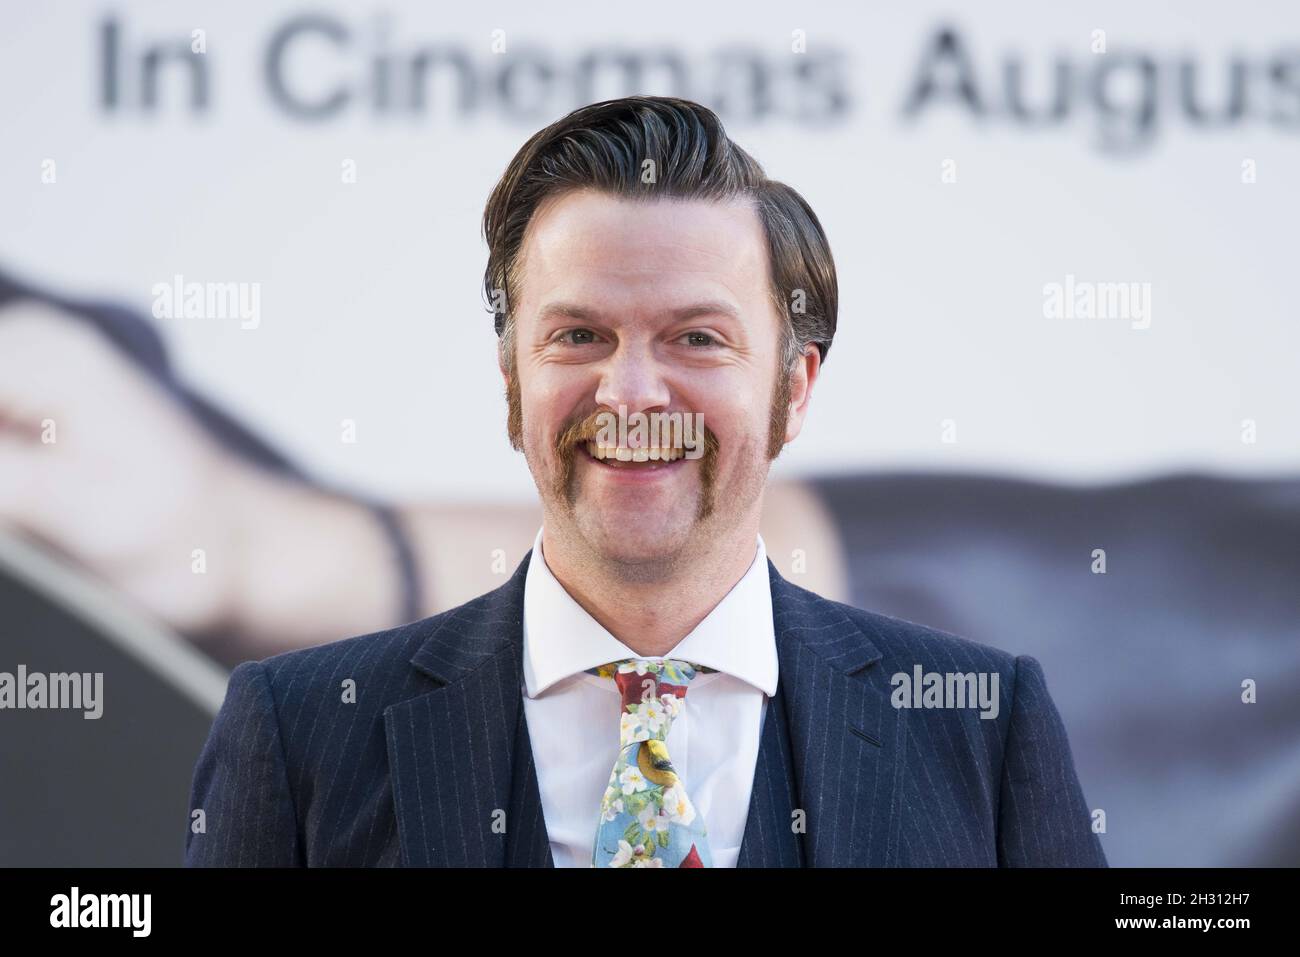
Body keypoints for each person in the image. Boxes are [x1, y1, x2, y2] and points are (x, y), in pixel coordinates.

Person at [178, 96, 1105, 867]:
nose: (629, 393)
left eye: (696, 338)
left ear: (795, 385)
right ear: (513, 379)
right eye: (578, 335)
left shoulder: (983, 725)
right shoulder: (299, 733)